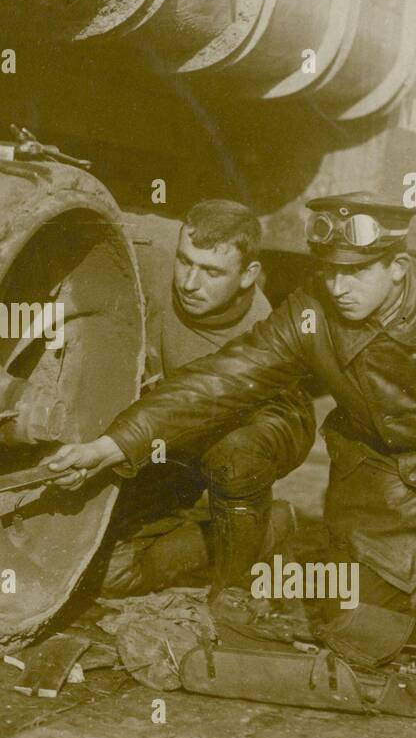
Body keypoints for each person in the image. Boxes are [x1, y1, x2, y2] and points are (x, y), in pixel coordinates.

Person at [51, 192, 416, 668]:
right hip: (392, 459)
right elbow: (223, 378)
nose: (338, 287)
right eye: (329, 271)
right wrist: (116, 442)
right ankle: (407, 575)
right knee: (358, 631)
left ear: (397, 268)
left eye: (354, 272)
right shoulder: (312, 310)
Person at [96, 201, 315, 611]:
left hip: (201, 437)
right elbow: (84, 211)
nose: (190, 283)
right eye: (185, 262)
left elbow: (219, 435)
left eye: (213, 272)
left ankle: (260, 530)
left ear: (248, 275)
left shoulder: (258, 337)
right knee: (95, 565)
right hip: (148, 423)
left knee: (233, 461)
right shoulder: (153, 240)